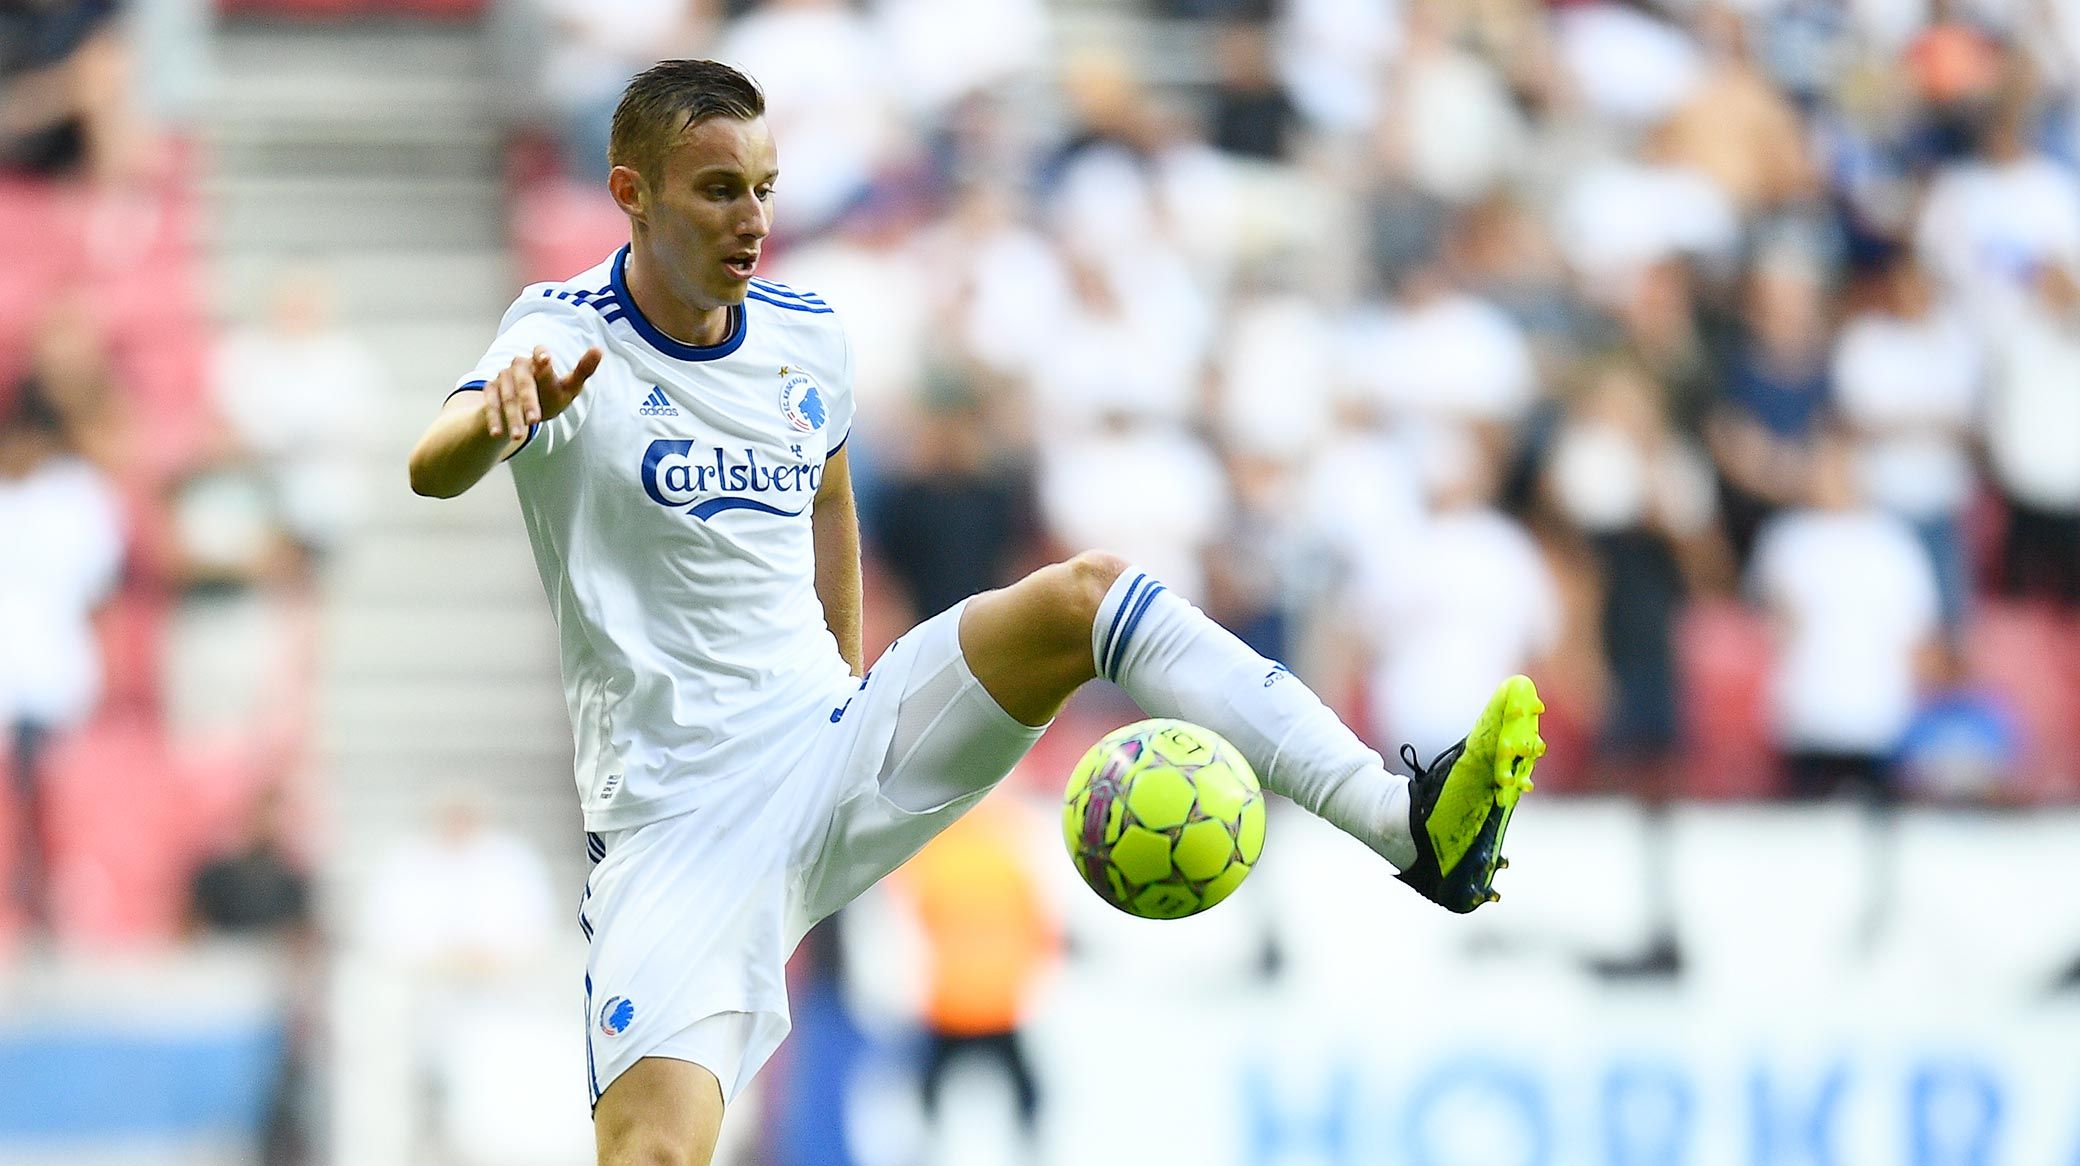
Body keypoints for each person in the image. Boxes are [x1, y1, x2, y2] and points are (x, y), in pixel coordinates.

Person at [404, 60, 1547, 1166]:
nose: (749, 218)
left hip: (832, 744)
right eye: (716, 190)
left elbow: (830, 504)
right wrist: (495, 418)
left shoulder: (807, 333)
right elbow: (432, 465)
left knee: (1086, 595)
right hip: (678, 824)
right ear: (630, 194)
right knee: (651, 1152)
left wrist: (842, 683)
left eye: (762, 188)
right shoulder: (561, 331)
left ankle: (1410, 826)